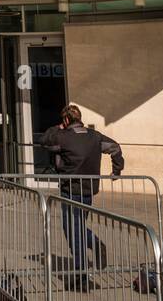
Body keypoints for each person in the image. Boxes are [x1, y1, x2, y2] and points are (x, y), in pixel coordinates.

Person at [39, 103, 124, 288]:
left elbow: (44, 141)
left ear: (66, 120)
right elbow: (115, 148)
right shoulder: (95, 136)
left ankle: (81, 274)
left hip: (70, 190)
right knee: (74, 227)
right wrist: (116, 171)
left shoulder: (63, 137)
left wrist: (57, 127)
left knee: (73, 230)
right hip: (88, 190)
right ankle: (93, 245)